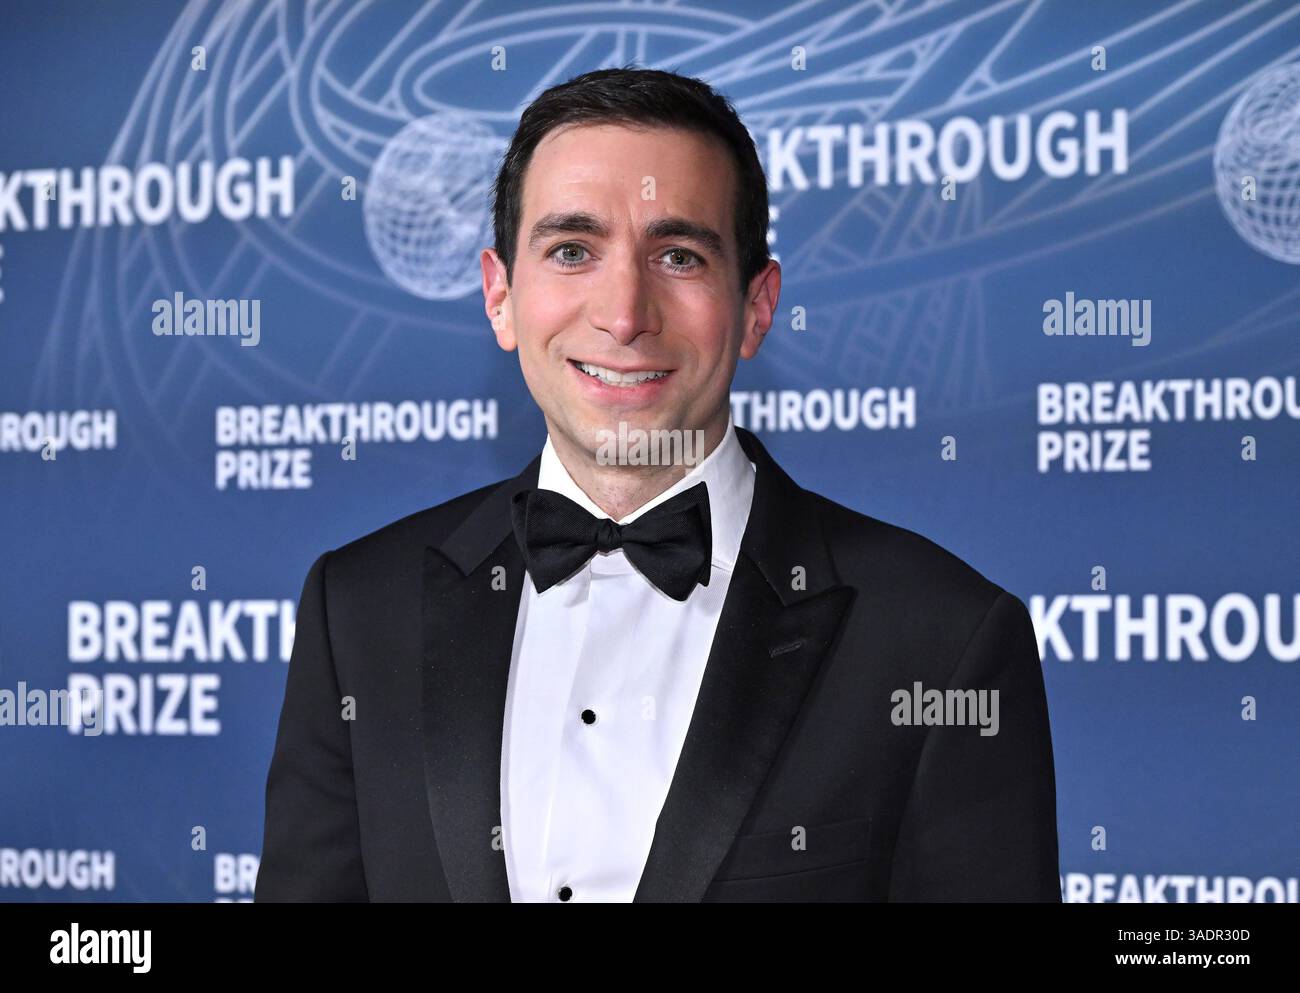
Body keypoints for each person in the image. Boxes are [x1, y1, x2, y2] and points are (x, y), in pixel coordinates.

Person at [255, 66, 1060, 903]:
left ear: (756, 306)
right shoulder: (357, 612)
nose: (626, 311)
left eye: (678, 255)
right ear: (500, 295)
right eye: (572, 251)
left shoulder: (941, 638)